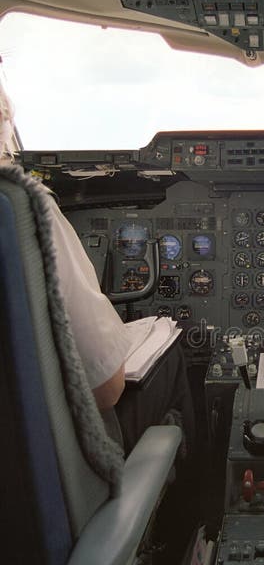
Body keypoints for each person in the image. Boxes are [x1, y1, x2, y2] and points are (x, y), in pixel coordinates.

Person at [0, 81, 194, 456]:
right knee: (170, 359)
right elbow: (107, 388)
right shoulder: (24, 214)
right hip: (57, 464)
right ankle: (187, 505)